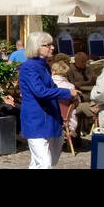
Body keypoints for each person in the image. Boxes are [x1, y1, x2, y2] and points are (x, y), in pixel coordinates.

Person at [17, 32, 73, 168]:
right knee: (44, 163)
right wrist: (67, 92)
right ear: (36, 47)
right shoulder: (29, 67)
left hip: (50, 119)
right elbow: (40, 92)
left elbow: (52, 88)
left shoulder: (44, 66)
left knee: (46, 162)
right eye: (47, 45)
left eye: (51, 44)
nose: (52, 47)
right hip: (36, 120)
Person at [49, 56, 79, 138]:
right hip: (67, 119)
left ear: (53, 72)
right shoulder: (71, 86)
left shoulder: (47, 85)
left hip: (49, 116)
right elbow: (77, 102)